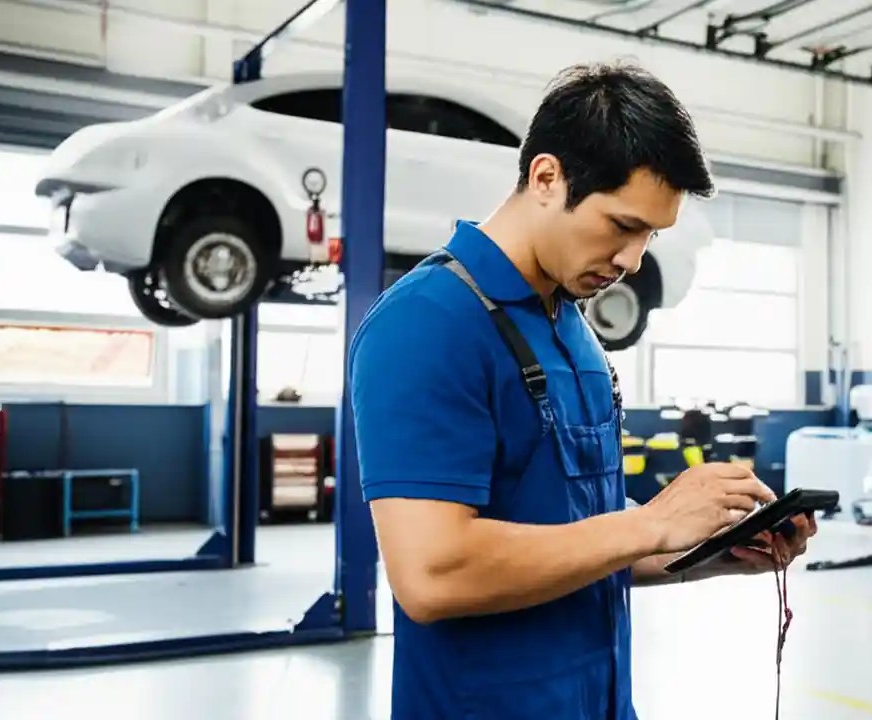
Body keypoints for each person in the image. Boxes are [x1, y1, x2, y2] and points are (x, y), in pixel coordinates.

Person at [347, 60, 818, 720]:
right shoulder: (427, 323)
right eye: (623, 226)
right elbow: (432, 572)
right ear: (546, 178)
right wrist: (651, 521)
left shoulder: (571, 328)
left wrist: (710, 553)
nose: (633, 260)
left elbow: (584, 537)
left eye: (652, 236)